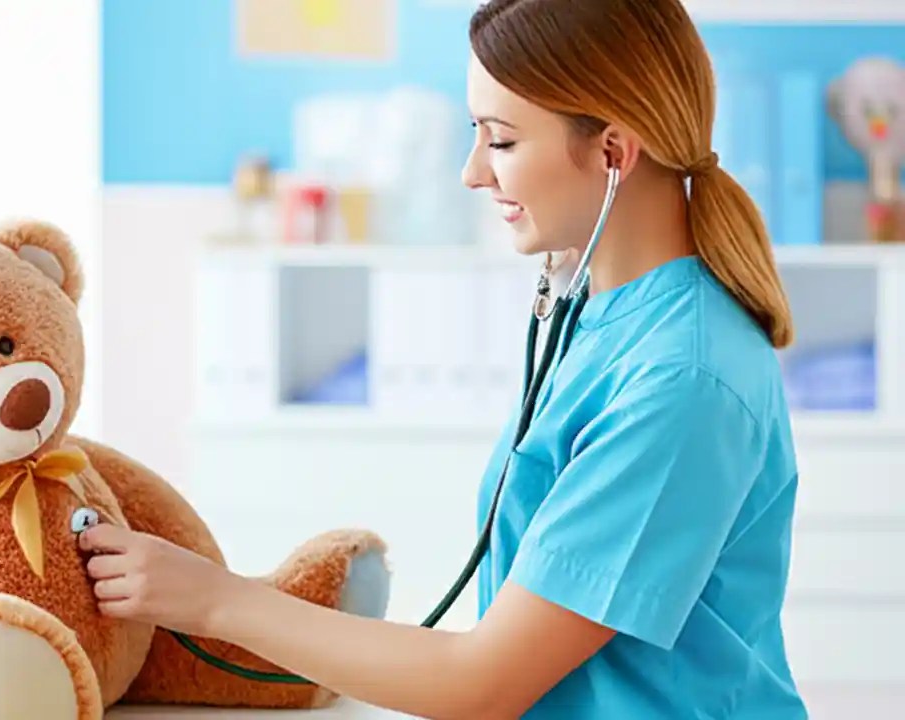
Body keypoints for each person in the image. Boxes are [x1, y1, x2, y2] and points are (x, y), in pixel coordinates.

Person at [78, 0, 810, 717]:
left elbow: (483, 684)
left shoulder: (680, 380)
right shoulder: (606, 314)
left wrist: (215, 600)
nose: (472, 172)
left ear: (613, 153)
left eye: (500, 140)